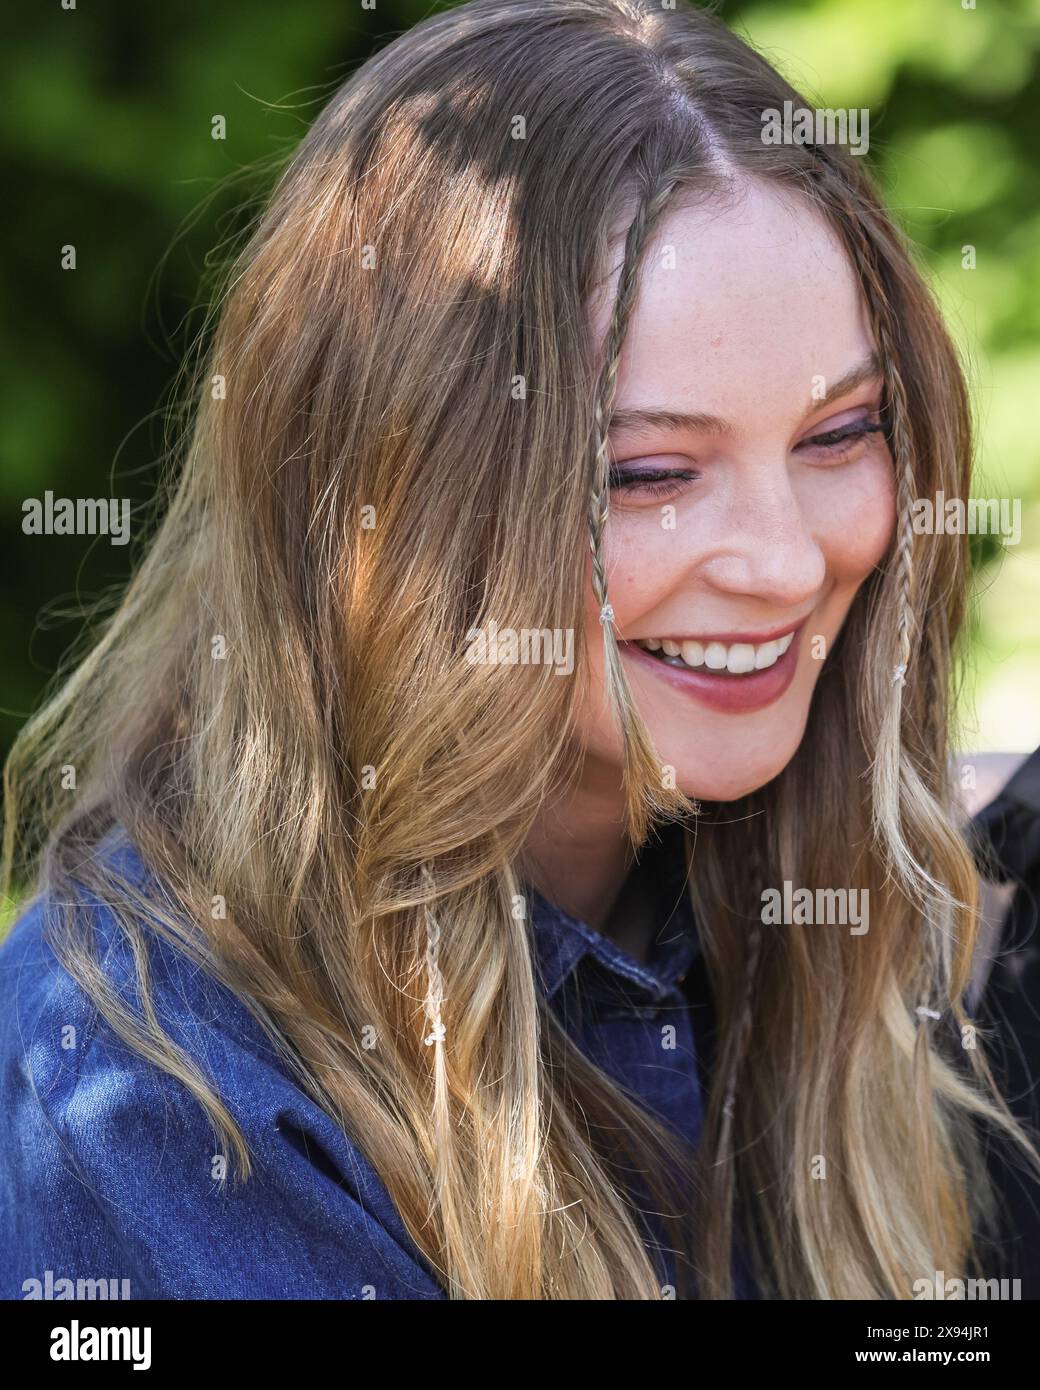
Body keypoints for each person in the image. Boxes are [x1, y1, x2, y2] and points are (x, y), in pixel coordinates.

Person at [1, 0, 1036, 1301]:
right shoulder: (151, 1093)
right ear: (394, 503)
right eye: (653, 471)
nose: (784, 560)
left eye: (839, 435)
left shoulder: (880, 912)